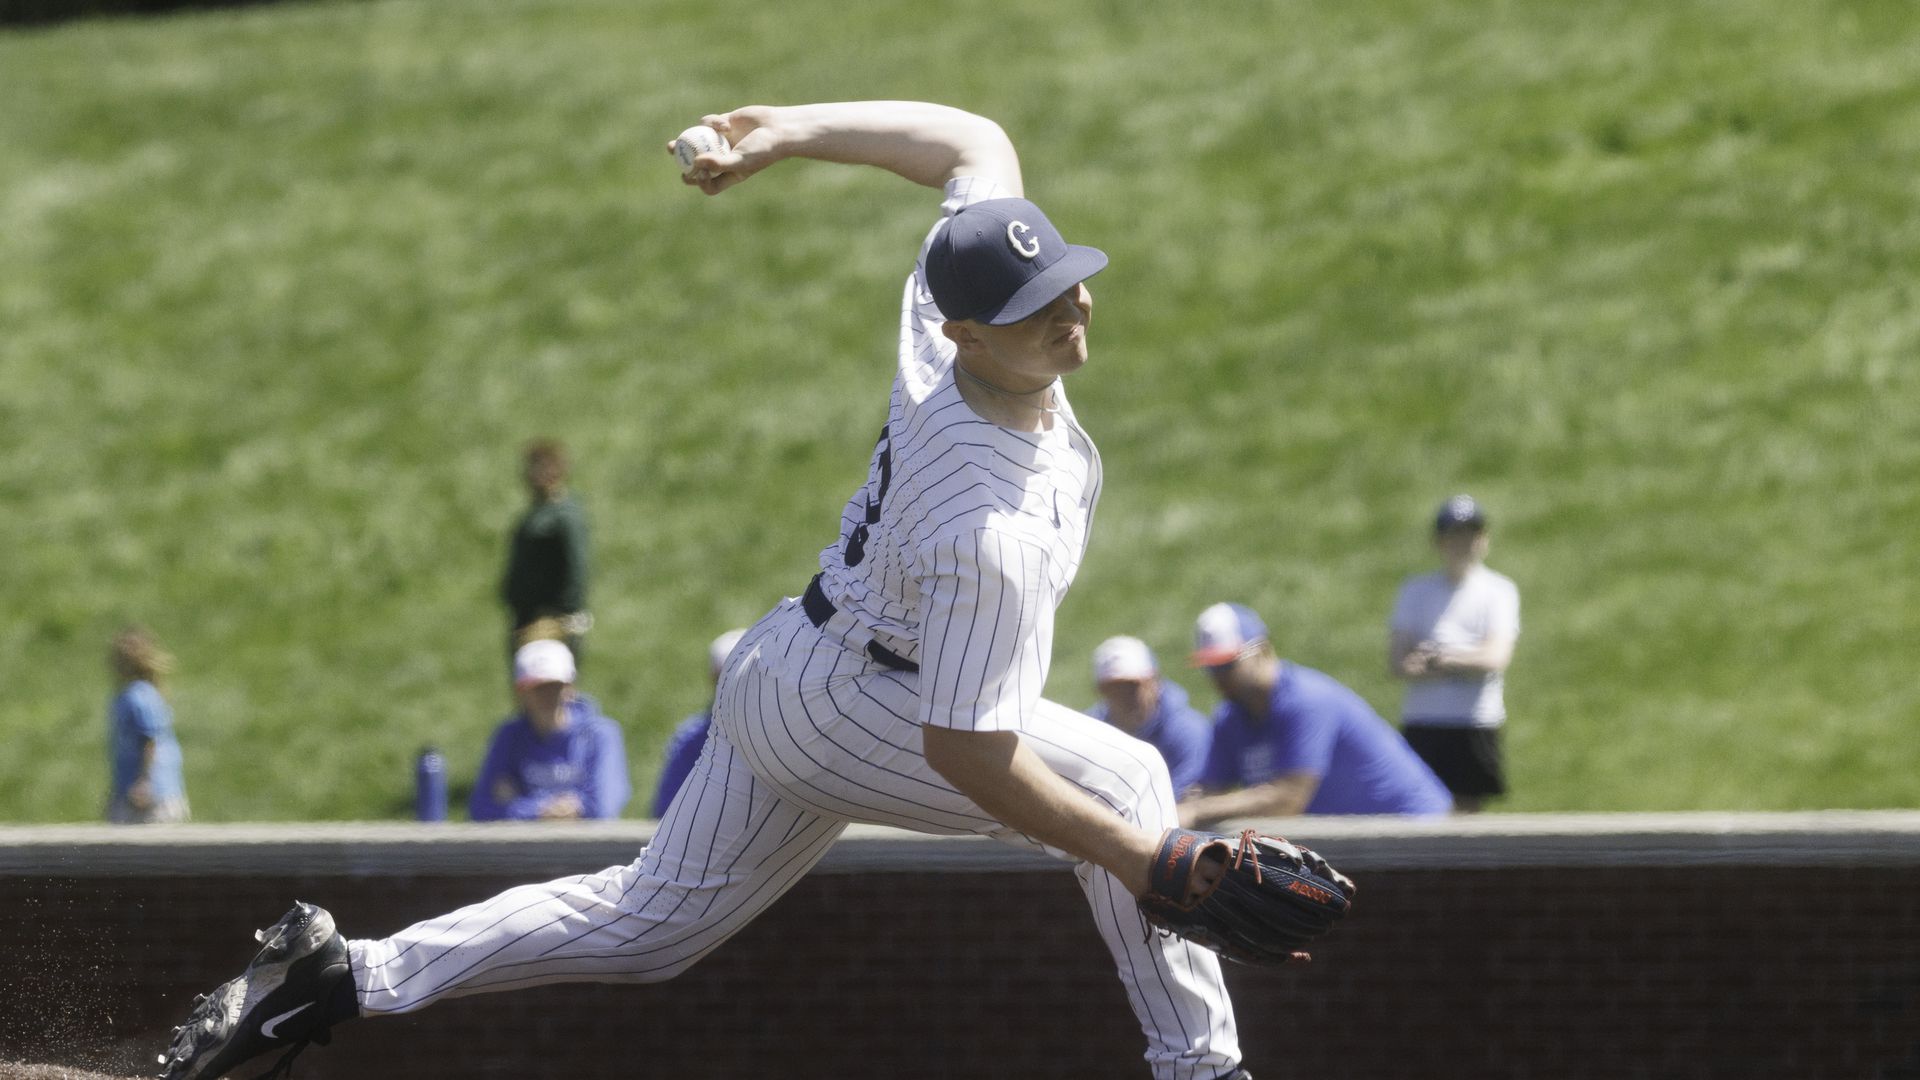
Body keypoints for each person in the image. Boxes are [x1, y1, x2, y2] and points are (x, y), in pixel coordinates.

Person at [159, 101, 1252, 1080]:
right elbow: (967, 751)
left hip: (791, 665)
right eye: (1033, 305)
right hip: (870, 708)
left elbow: (970, 143)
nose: (1069, 309)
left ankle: (339, 975)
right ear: (966, 331)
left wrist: (786, 130)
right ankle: (1201, 1071)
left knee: (646, 928)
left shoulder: (944, 310)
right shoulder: (986, 521)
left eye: (1066, 279)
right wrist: (1147, 862)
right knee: (1126, 790)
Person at [1178, 602, 1451, 826]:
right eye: (1211, 667)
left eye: (1228, 664)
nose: (1218, 677)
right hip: (1358, 838)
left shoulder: (1305, 700)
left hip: (1415, 827)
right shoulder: (1230, 717)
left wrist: (1198, 811)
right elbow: (1210, 789)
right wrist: (1189, 805)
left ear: (1262, 651)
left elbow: (1287, 800)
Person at [1388, 494, 1521, 812]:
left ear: (1483, 540)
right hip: (1423, 721)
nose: (1463, 543)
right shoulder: (1415, 591)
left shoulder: (1498, 590)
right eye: (1454, 534)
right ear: (1439, 541)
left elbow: (1495, 658)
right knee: (1418, 809)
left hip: (1473, 721)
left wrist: (1440, 659)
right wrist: (1466, 660)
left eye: (1471, 534)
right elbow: (1398, 662)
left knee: (1467, 814)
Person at [470, 640, 631, 822]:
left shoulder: (601, 735)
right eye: (537, 688)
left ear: (571, 688)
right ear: (520, 692)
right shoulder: (509, 735)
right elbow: (482, 809)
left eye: (555, 686)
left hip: (590, 849)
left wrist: (520, 805)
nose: (547, 695)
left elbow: (603, 807)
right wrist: (547, 809)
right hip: (524, 849)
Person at [500, 437, 591, 667]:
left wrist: (565, 617)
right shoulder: (537, 512)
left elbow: (577, 566)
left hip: (549, 622)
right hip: (527, 619)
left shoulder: (565, 515)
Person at [1086, 635, 1213, 796]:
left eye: (1132, 686)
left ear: (1155, 682)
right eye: (1114, 689)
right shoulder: (1090, 733)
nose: (1124, 697)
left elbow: (1182, 805)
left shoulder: (1188, 732)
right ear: (1099, 691)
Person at [649, 628, 746, 817]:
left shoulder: (789, 732)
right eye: (725, 676)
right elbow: (667, 811)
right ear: (713, 679)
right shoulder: (690, 740)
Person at [105, 625, 189, 824]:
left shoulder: (137, 696)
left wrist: (144, 782)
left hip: (147, 795)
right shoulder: (147, 693)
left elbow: (150, 740)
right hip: (154, 790)